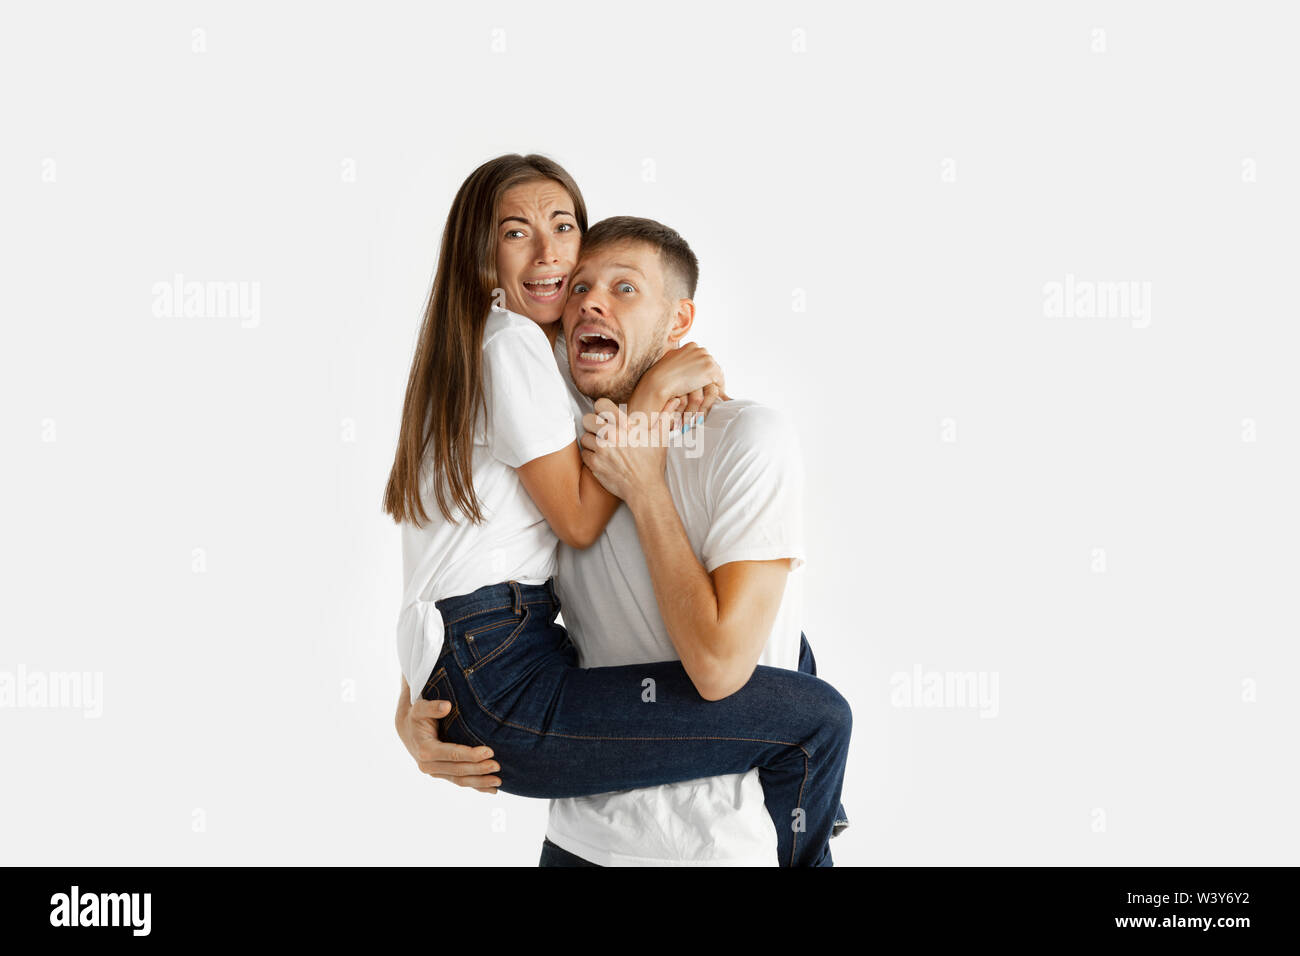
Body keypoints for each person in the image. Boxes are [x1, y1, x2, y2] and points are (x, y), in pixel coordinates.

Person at [385, 155, 851, 866]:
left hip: (707, 845)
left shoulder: (736, 436)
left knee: (802, 680)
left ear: (679, 319)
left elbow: (728, 661)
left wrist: (661, 424)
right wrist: (412, 700)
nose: (586, 300)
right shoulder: (537, 382)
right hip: (574, 823)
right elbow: (505, 543)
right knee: (816, 715)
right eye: (580, 287)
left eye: (622, 287)